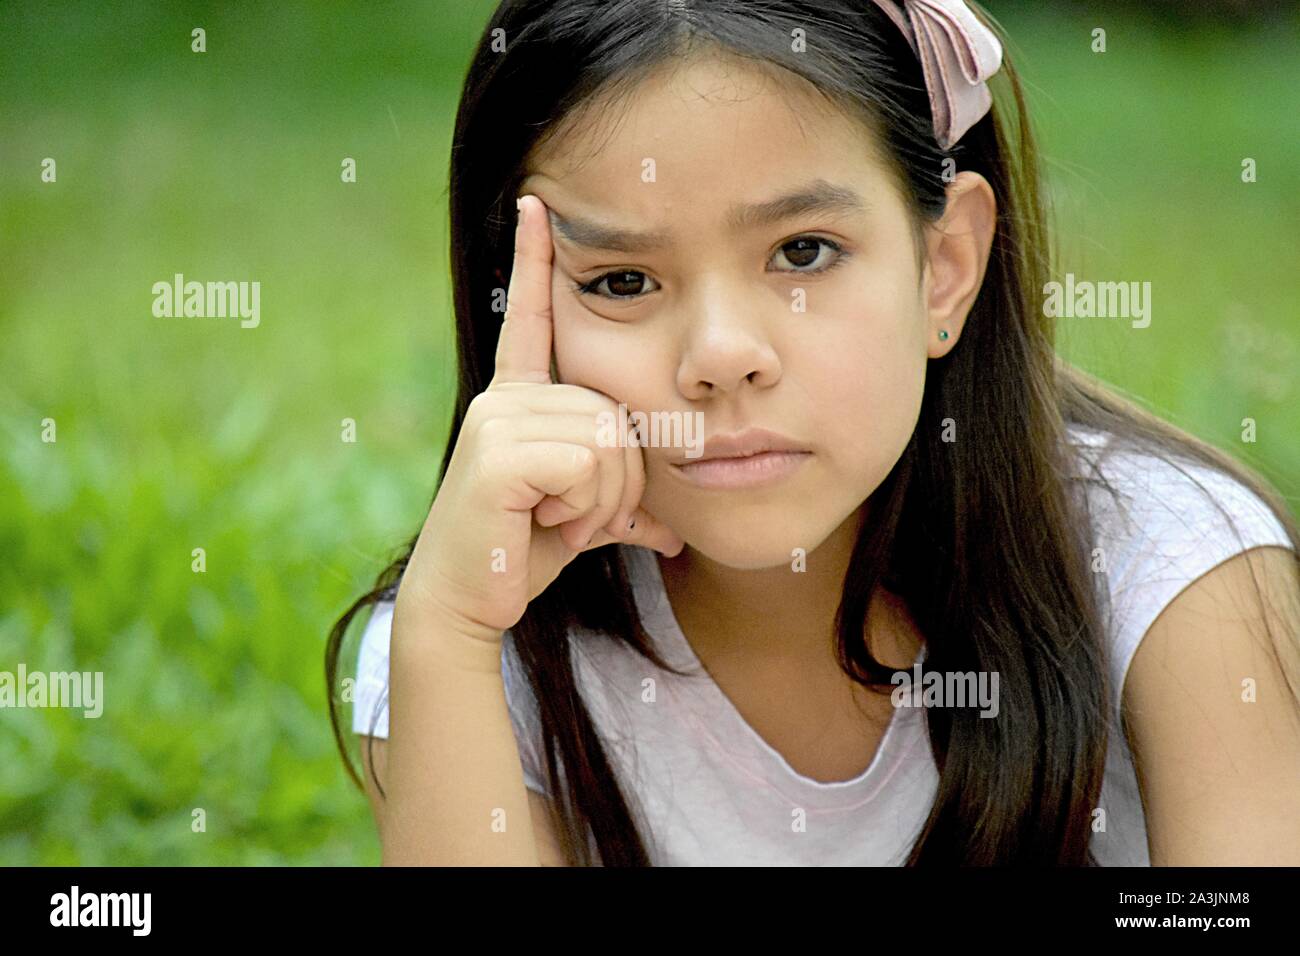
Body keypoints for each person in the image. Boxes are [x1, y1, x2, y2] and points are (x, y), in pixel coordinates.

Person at [325, 0, 1300, 866]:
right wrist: (446, 631)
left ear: (945, 266)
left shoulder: (1171, 569)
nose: (720, 353)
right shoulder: (465, 645)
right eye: (621, 280)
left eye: (802, 251)